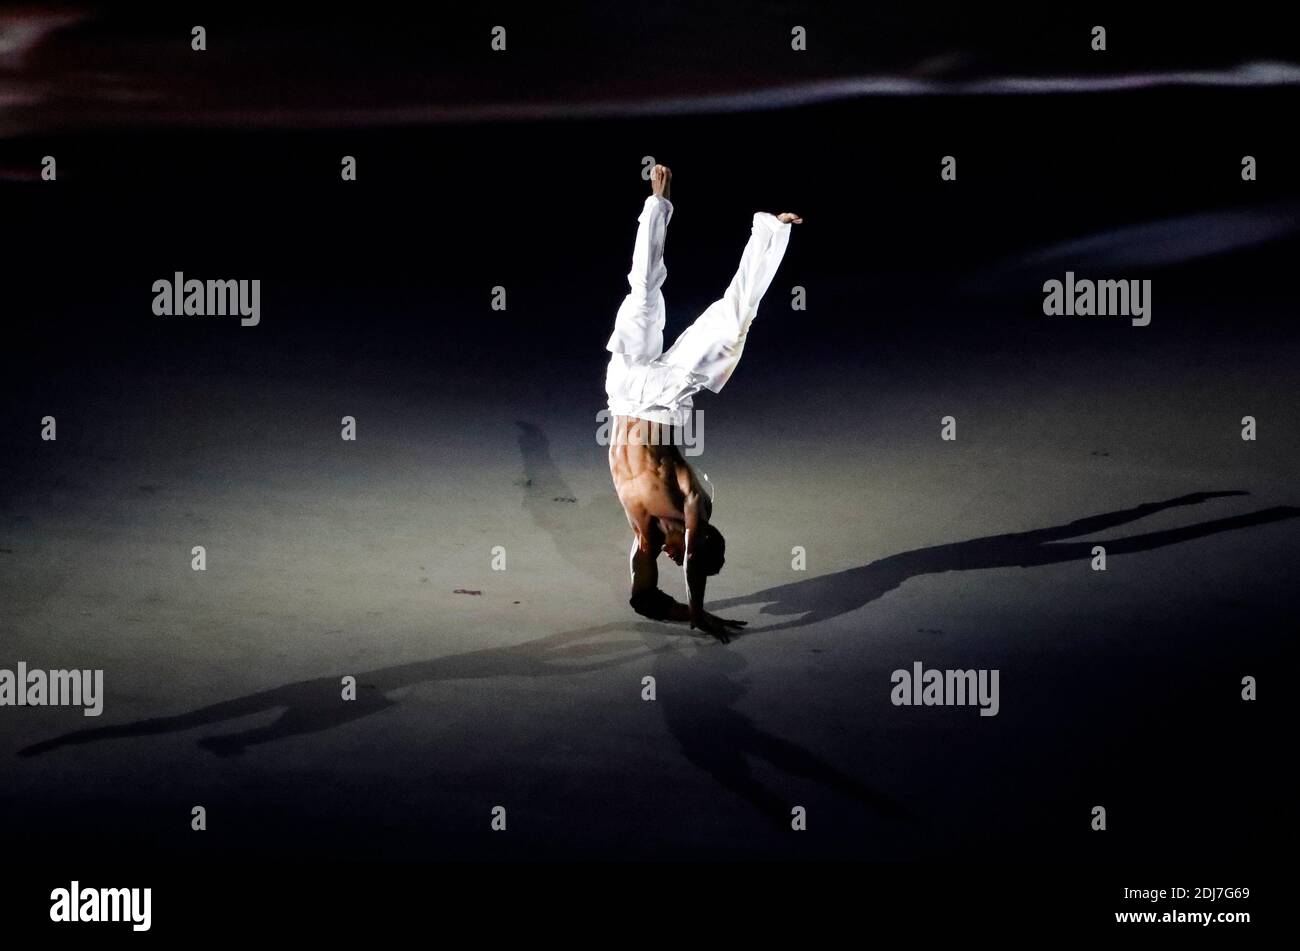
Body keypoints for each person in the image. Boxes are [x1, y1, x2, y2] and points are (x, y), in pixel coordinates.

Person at [604, 163, 801, 641]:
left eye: (673, 556)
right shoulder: (695, 499)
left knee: (643, 292)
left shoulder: (644, 537)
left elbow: (644, 601)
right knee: (733, 323)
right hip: (661, 399)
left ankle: (656, 205)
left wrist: (686, 616)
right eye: (685, 551)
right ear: (700, 536)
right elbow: (693, 555)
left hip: (623, 389)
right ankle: (764, 229)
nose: (673, 557)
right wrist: (697, 606)